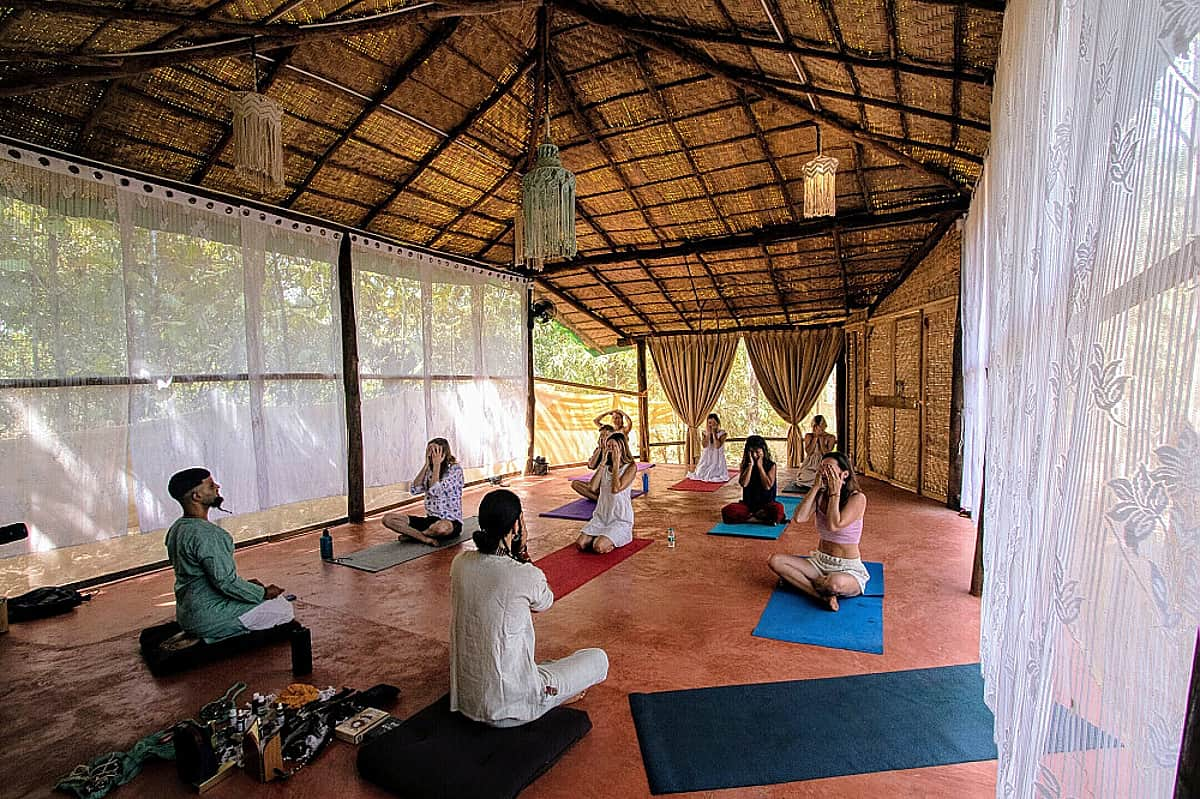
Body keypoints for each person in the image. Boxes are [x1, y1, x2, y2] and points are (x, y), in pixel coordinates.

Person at [450, 489, 609, 727]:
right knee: (598, 659)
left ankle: (550, 681)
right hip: (513, 706)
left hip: (466, 699)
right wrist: (521, 553)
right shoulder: (523, 573)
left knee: (544, 664)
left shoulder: (459, 563)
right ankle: (553, 696)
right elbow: (545, 601)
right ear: (516, 527)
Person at [164, 468, 294, 642]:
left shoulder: (177, 528)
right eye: (210, 486)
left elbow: (206, 577)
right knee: (283, 609)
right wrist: (262, 592)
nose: (217, 486)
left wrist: (250, 589)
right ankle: (216, 635)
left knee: (258, 596)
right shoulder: (207, 534)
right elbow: (225, 582)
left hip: (186, 613)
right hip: (207, 618)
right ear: (197, 496)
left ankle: (208, 629)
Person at [769, 451, 869, 611]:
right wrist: (815, 487)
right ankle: (821, 595)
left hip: (846, 567)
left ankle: (804, 582)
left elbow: (833, 525)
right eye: (821, 468)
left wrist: (834, 492)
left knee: (833, 583)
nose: (823, 472)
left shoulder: (857, 498)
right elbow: (799, 518)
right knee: (775, 560)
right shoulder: (821, 495)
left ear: (844, 474)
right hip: (819, 561)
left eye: (828, 469)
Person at [383, 438, 464, 545]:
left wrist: (436, 465)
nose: (431, 454)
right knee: (388, 519)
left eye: (435, 451)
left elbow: (435, 490)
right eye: (429, 450)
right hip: (430, 520)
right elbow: (414, 489)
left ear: (444, 453)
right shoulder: (429, 470)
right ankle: (424, 538)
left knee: (441, 528)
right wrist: (426, 465)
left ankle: (415, 535)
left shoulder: (455, 470)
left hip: (450, 522)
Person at [576, 432, 637, 553]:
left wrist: (616, 464)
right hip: (602, 516)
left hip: (620, 518)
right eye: (608, 446)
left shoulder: (630, 467)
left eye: (614, 446)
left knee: (598, 547)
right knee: (580, 544)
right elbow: (592, 487)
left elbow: (616, 489)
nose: (610, 449)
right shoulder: (605, 466)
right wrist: (603, 463)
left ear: (621, 448)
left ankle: (616, 537)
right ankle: (602, 536)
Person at [722, 435, 786, 525]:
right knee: (727, 511)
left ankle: (753, 518)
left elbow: (767, 486)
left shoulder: (771, 465)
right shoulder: (745, 465)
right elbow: (744, 484)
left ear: (763, 451)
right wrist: (750, 466)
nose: (754, 455)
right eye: (751, 452)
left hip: (766, 505)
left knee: (778, 509)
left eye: (757, 452)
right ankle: (757, 519)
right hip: (749, 506)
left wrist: (760, 467)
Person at [792, 415, 838, 492]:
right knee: (803, 476)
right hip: (810, 463)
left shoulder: (831, 437)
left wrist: (821, 440)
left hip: (823, 462)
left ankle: (819, 483)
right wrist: (815, 438)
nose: (817, 428)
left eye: (819, 426)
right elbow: (809, 452)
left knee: (822, 476)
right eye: (815, 426)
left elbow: (826, 454)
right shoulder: (809, 436)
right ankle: (814, 483)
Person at [570, 424, 615, 502]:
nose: (603, 438)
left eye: (606, 435)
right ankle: (599, 499)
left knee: (595, 486)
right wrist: (600, 449)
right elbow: (591, 465)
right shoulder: (598, 450)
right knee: (575, 484)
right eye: (601, 435)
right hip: (598, 485)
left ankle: (602, 498)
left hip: (610, 485)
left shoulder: (615, 449)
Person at [687, 412, 729, 482]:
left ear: (717, 423)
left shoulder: (723, 433)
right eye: (710, 423)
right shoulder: (704, 433)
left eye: (714, 423)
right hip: (707, 457)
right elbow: (704, 445)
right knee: (700, 473)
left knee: (713, 474)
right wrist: (709, 434)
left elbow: (717, 446)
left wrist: (714, 433)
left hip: (717, 457)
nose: (711, 425)